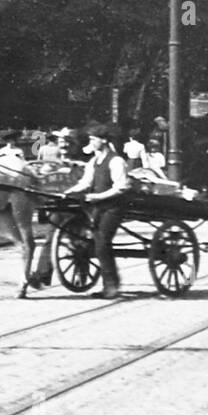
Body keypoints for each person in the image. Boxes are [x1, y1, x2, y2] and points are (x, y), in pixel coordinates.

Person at [66, 122, 130, 299]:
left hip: (113, 207)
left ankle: (112, 286)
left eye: (93, 139)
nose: (91, 142)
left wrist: (97, 197)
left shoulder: (116, 161)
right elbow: (85, 182)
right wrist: (68, 192)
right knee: (96, 242)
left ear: (103, 140)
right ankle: (108, 284)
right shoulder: (94, 161)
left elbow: (121, 188)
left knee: (102, 243)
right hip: (98, 206)